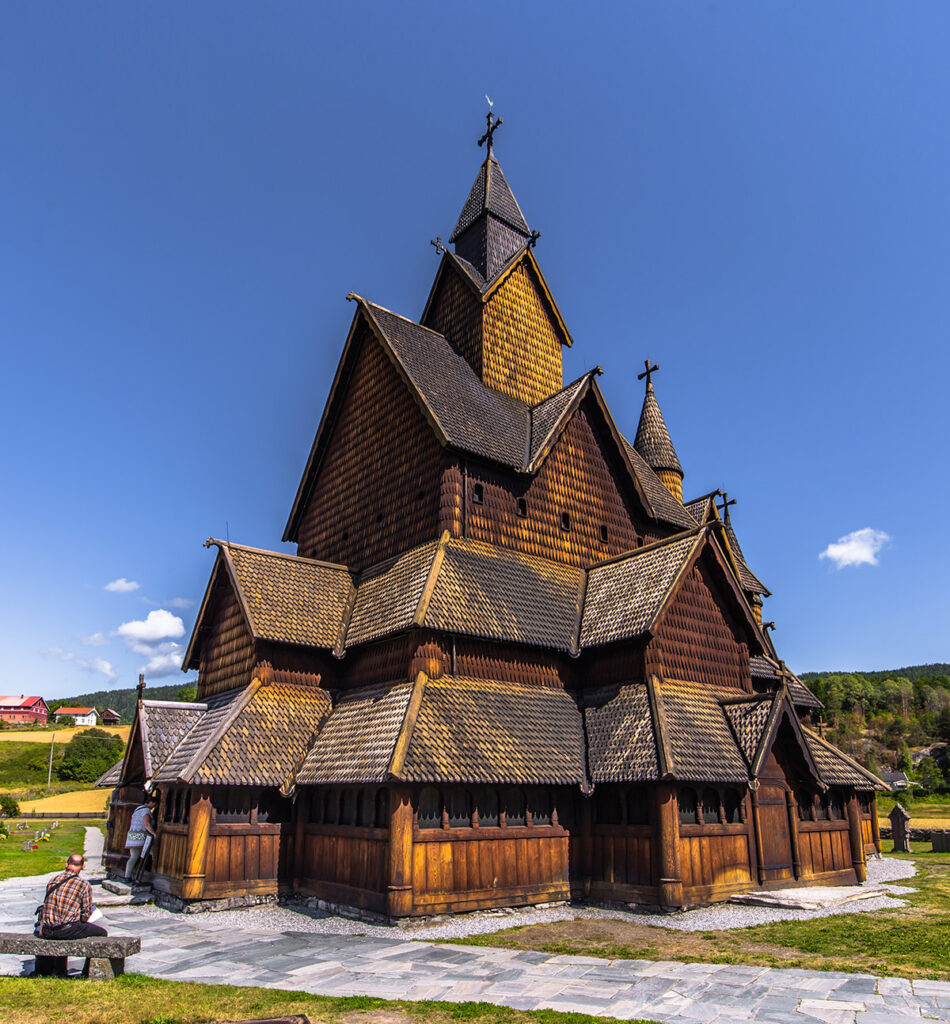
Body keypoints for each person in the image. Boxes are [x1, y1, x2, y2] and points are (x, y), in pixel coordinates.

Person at [40, 853, 107, 939]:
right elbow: (86, 914)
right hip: (66, 930)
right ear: (83, 866)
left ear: (66, 865)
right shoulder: (83, 884)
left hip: (47, 930)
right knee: (102, 933)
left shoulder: (53, 880)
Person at [124, 792, 158, 880]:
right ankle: (155, 873)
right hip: (142, 837)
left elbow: (132, 822)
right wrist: (154, 833)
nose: (154, 806)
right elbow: (146, 824)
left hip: (132, 836)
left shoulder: (137, 810)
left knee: (134, 857)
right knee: (153, 853)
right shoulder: (146, 811)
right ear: (151, 802)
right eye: (154, 804)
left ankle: (127, 876)